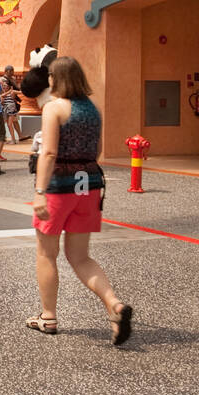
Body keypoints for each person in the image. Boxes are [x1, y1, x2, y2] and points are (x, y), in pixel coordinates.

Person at [27, 56, 133, 347]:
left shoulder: (54, 108)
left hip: (59, 187)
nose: (48, 80)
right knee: (80, 256)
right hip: (90, 186)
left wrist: (40, 191)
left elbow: (48, 153)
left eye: (50, 76)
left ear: (56, 79)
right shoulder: (92, 110)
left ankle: (48, 316)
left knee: (47, 253)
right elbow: (96, 150)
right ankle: (114, 304)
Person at [0, 64, 22, 143]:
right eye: (11, 71)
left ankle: (19, 136)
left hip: (12, 103)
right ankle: (4, 137)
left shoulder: (12, 79)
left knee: (14, 121)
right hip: (6, 103)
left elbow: (16, 89)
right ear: (7, 71)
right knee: (6, 122)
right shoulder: (2, 79)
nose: (13, 72)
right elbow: (1, 91)